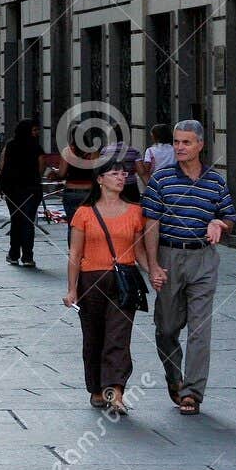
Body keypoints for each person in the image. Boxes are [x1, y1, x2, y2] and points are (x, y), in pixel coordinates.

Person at [139, 120, 236, 415]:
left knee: (200, 328)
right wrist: (153, 265)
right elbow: (151, 224)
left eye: (186, 142)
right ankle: (174, 376)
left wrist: (218, 222)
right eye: (177, 142)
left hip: (203, 258)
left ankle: (192, 392)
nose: (180, 147)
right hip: (169, 256)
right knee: (166, 327)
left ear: (200, 146)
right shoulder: (162, 179)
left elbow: (229, 217)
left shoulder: (216, 181)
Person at [63, 161, 150, 415]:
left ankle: (115, 392)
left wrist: (153, 272)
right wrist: (71, 289)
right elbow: (75, 253)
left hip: (125, 279)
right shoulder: (84, 213)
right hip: (90, 280)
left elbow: (140, 251)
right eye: (114, 173)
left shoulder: (136, 211)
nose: (121, 177)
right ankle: (96, 388)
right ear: (100, 179)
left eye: (124, 173)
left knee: (119, 337)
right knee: (93, 337)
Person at [0, 120, 44, 267]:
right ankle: (27, 256)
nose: (37, 133)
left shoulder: (10, 145)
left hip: (12, 189)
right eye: (34, 130)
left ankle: (14, 254)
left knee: (16, 220)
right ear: (27, 131)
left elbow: (2, 166)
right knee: (28, 221)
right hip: (31, 189)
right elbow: (42, 164)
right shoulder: (36, 147)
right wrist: (35, 177)